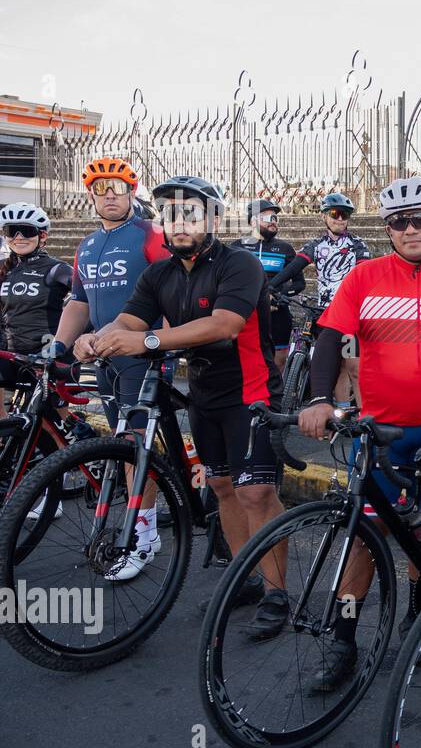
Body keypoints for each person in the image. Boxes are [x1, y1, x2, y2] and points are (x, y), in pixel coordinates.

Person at [293, 177, 421, 689]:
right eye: (397, 222)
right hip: (380, 433)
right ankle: (343, 639)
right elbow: (327, 341)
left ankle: (418, 620)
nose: (409, 230)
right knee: (362, 537)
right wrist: (321, 399)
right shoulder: (364, 277)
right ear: (387, 229)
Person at [82, 174, 286, 589]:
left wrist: (148, 340)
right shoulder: (159, 275)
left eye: (190, 215)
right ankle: (241, 582)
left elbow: (224, 325)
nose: (179, 224)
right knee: (223, 487)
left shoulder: (240, 264)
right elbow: (129, 319)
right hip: (204, 394)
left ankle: (277, 593)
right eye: (171, 215)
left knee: (256, 495)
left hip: (252, 394)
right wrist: (97, 337)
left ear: (213, 220)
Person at [55, 157, 169, 567]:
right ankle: (144, 527)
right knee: (123, 446)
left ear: (131, 192)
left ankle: (143, 536)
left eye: (117, 187)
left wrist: (166, 342)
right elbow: (79, 302)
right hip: (105, 360)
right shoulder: (86, 245)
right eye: (101, 188)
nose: (109, 194)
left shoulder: (150, 234)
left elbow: (176, 286)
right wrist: (58, 347)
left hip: (143, 356)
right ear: (90, 194)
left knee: (137, 446)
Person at [268, 192, 370, 407]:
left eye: (345, 215)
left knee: (353, 368)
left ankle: (363, 418)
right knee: (334, 370)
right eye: (335, 214)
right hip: (326, 315)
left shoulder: (358, 245)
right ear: (324, 216)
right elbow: (294, 267)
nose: (340, 219)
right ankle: (339, 416)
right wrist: (269, 286)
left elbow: (364, 276)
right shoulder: (315, 245)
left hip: (350, 316)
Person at [0, 203, 72, 417]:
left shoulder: (57, 269)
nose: (19, 237)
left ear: (42, 236)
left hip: (48, 357)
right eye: (12, 231)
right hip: (13, 357)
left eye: (27, 231)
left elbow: (87, 302)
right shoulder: (4, 269)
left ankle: (83, 442)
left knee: (54, 429)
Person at [235, 199, 303, 371]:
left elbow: (299, 283)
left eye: (275, 217)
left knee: (277, 361)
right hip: (247, 313)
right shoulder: (237, 247)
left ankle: (274, 397)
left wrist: (279, 297)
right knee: (247, 359)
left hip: (277, 312)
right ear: (253, 221)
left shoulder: (285, 248)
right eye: (267, 217)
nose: (273, 220)